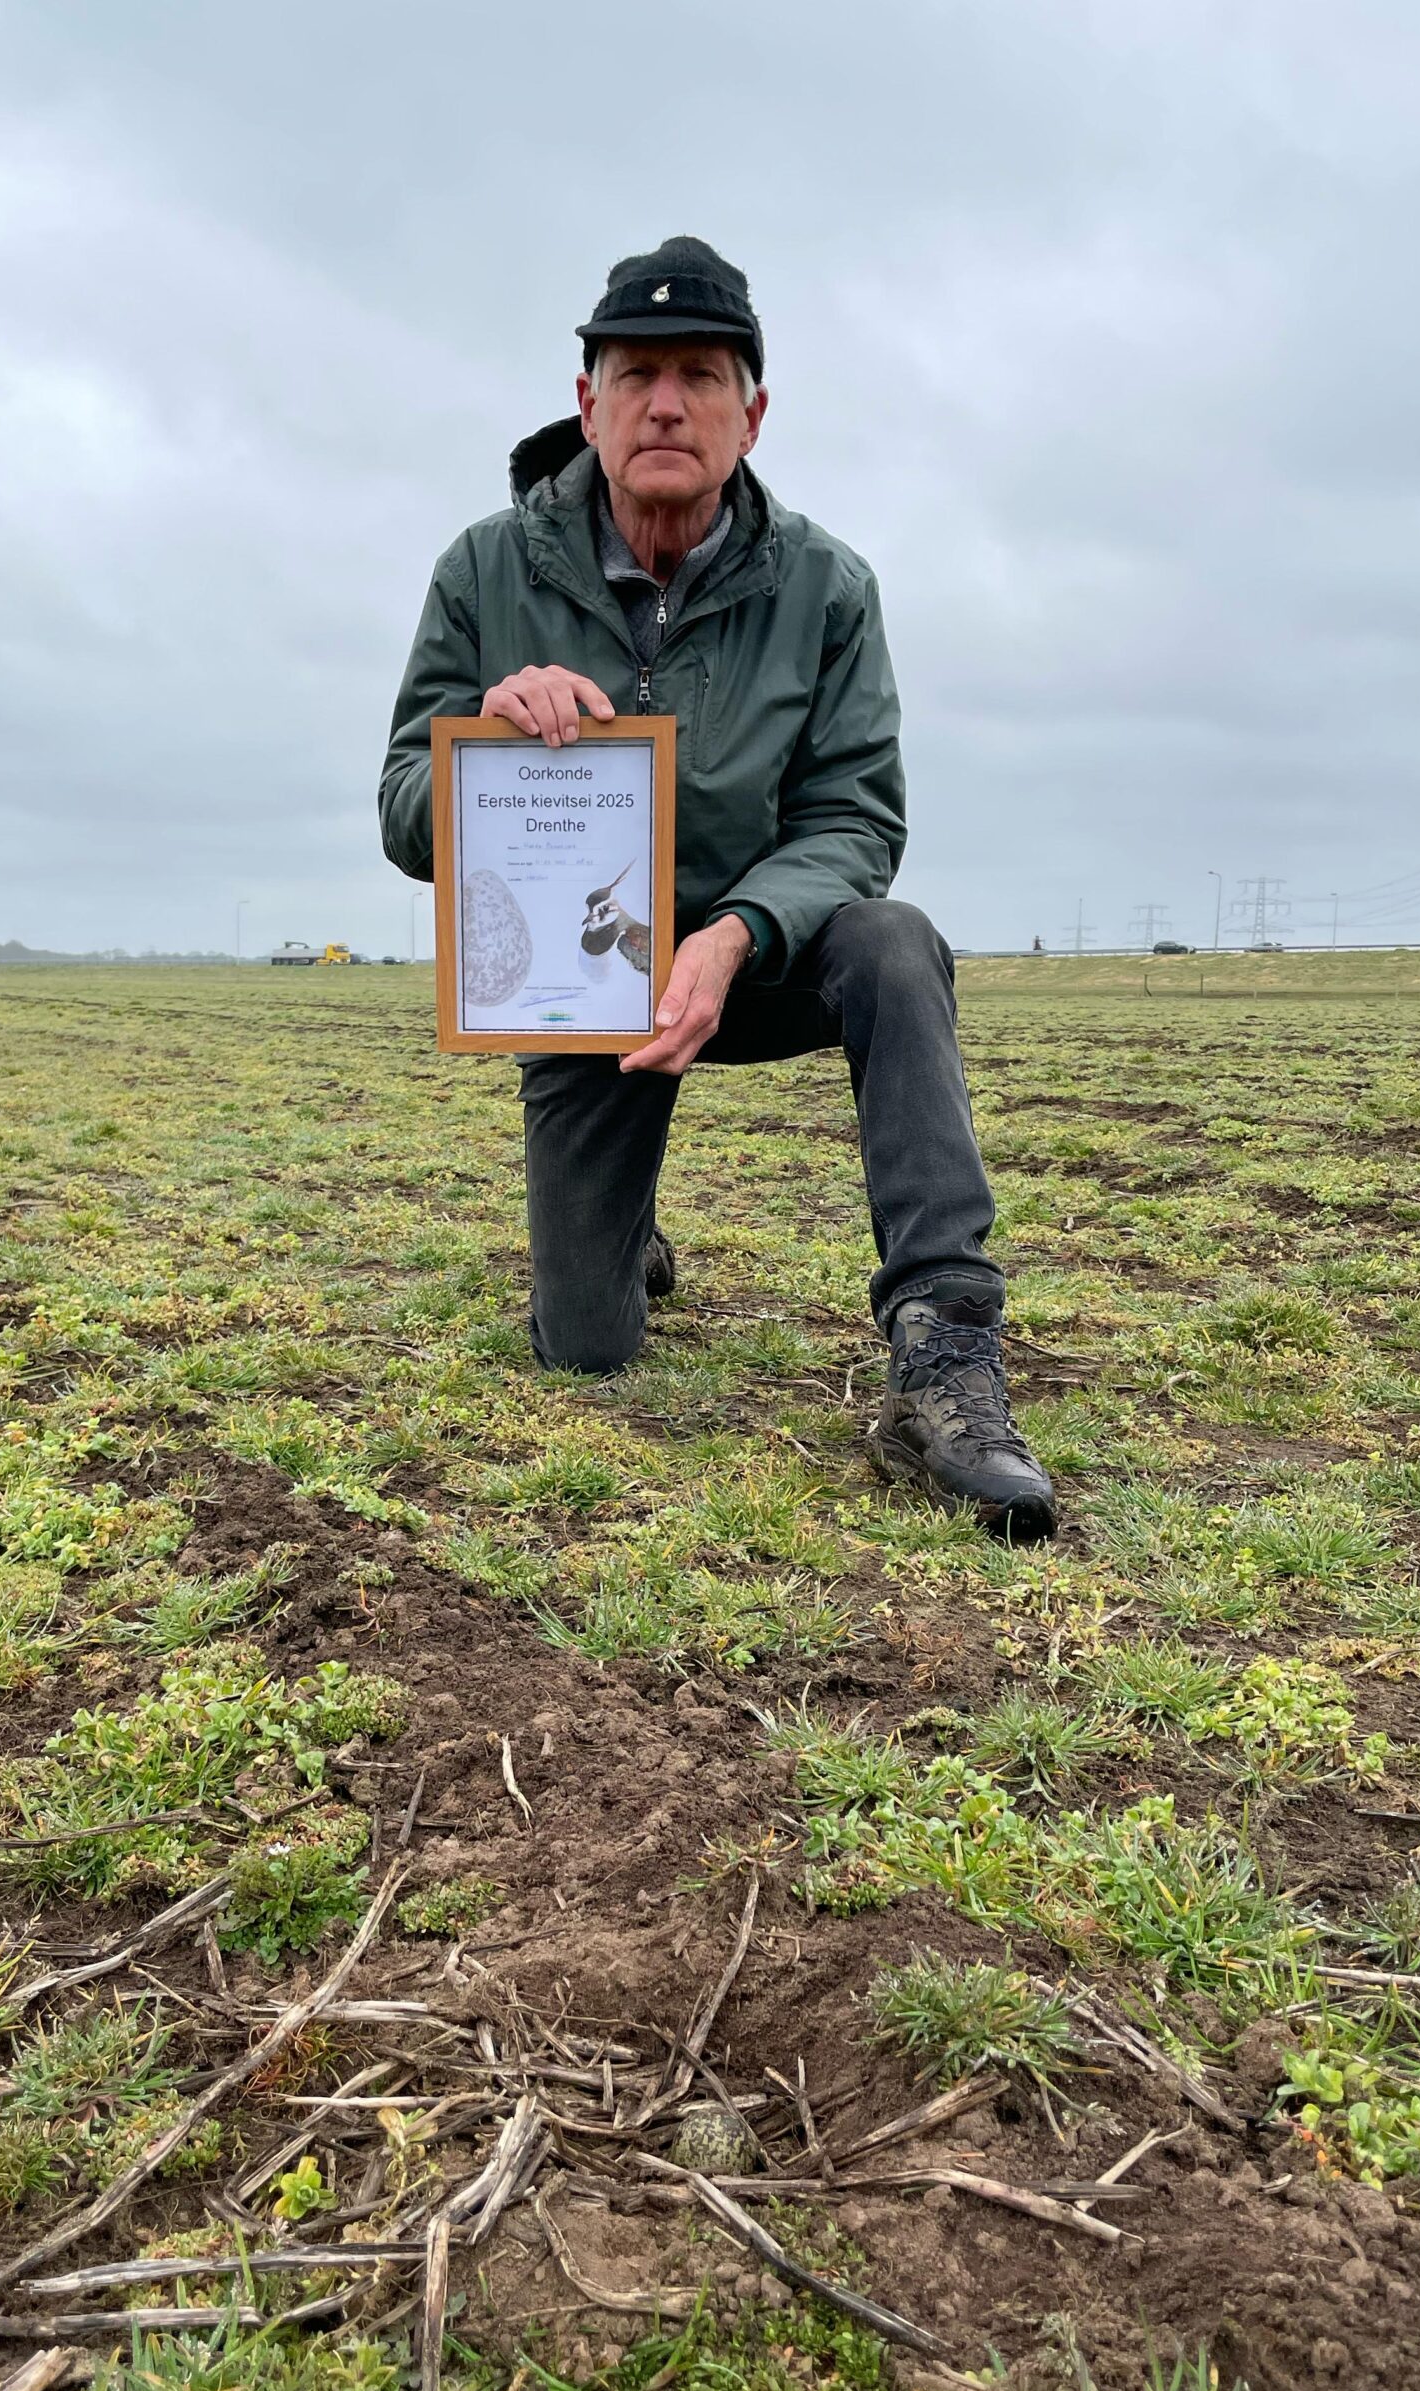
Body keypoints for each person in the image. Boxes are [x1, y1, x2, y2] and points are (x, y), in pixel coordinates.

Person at [379, 237, 1054, 1541]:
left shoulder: (827, 588)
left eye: (702, 373)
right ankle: (623, 1237)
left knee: (897, 943)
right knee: (583, 1349)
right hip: (590, 990)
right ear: (590, 402)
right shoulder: (483, 572)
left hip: (765, 963)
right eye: (637, 373)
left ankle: (945, 1356)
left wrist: (739, 932)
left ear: (754, 409)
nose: (667, 403)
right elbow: (405, 813)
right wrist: (481, 748)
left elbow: (856, 815)